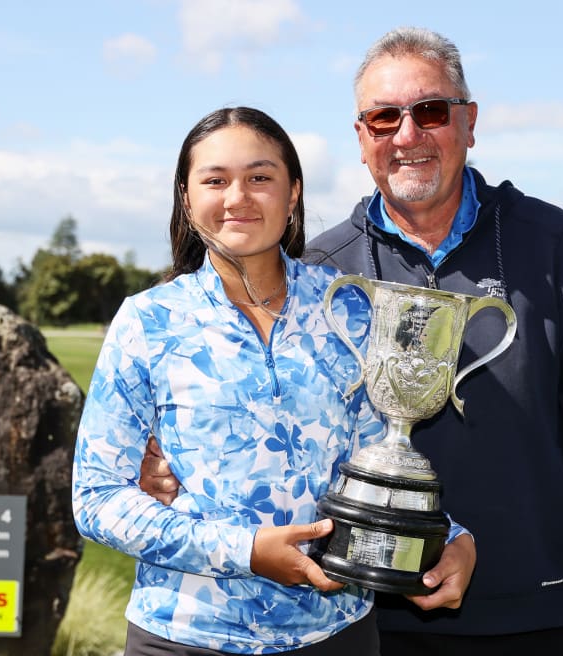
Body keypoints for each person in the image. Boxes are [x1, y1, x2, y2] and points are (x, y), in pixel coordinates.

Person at [140, 28, 563, 656]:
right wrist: (164, 458)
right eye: (384, 118)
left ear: (469, 123)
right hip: (359, 617)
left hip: (529, 614)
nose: (407, 136)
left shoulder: (550, 240)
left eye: (430, 111)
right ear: (362, 139)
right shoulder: (319, 268)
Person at [72, 106, 475, 656]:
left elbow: (379, 464)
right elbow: (97, 498)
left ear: (293, 195)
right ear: (187, 199)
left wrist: (448, 540)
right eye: (215, 180)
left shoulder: (351, 309)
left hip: (336, 633)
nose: (238, 197)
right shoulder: (147, 321)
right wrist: (245, 550)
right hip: (186, 634)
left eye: (260, 177)